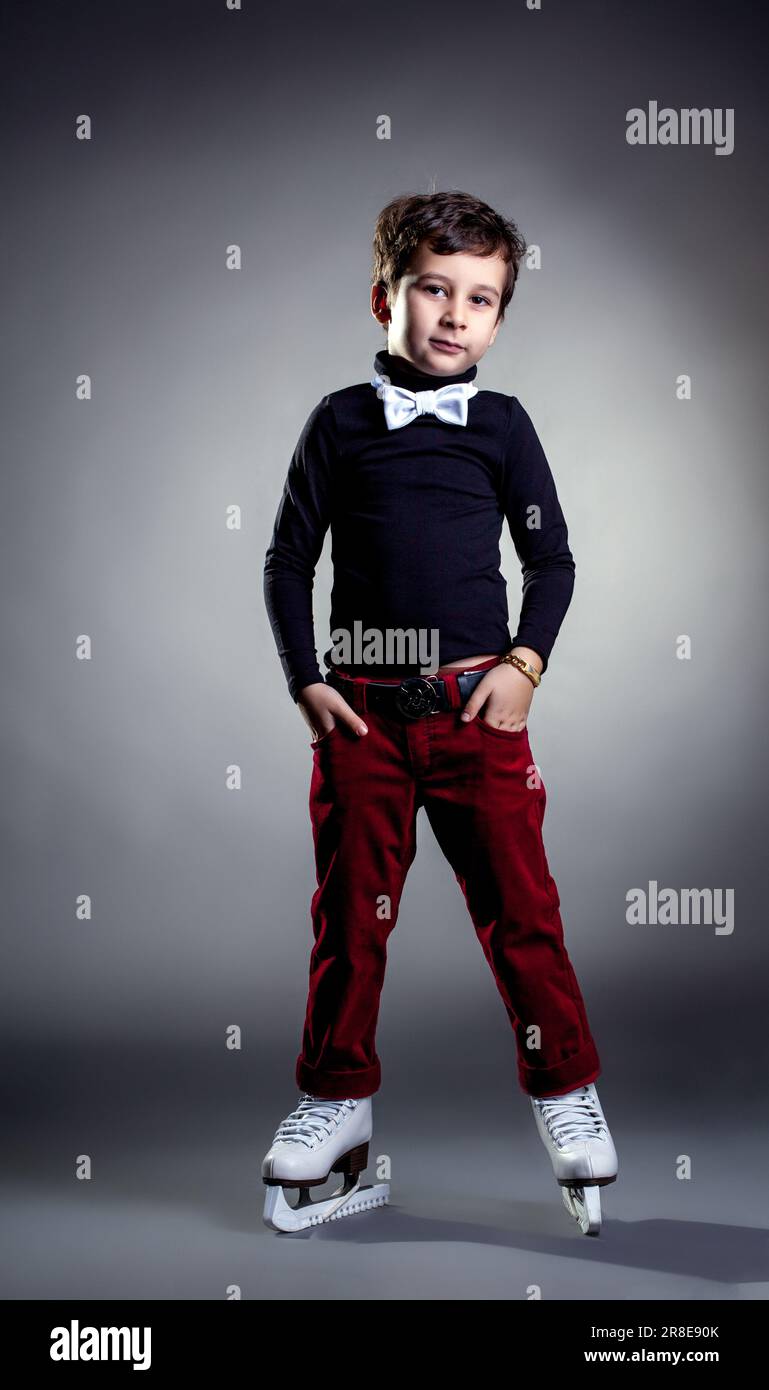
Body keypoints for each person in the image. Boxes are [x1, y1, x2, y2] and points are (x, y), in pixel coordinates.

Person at [260, 190, 618, 1236]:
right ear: (385, 297)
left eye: (480, 298)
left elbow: (550, 558)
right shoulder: (338, 421)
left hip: (476, 716)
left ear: (499, 319)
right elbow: (288, 559)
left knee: (522, 911)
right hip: (364, 719)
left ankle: (565, 1093)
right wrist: (306, 678)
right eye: (432, 289)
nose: (454, 314)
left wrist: (525, 664)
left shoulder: (503, 426)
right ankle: (335, 1098)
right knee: (349, 920)